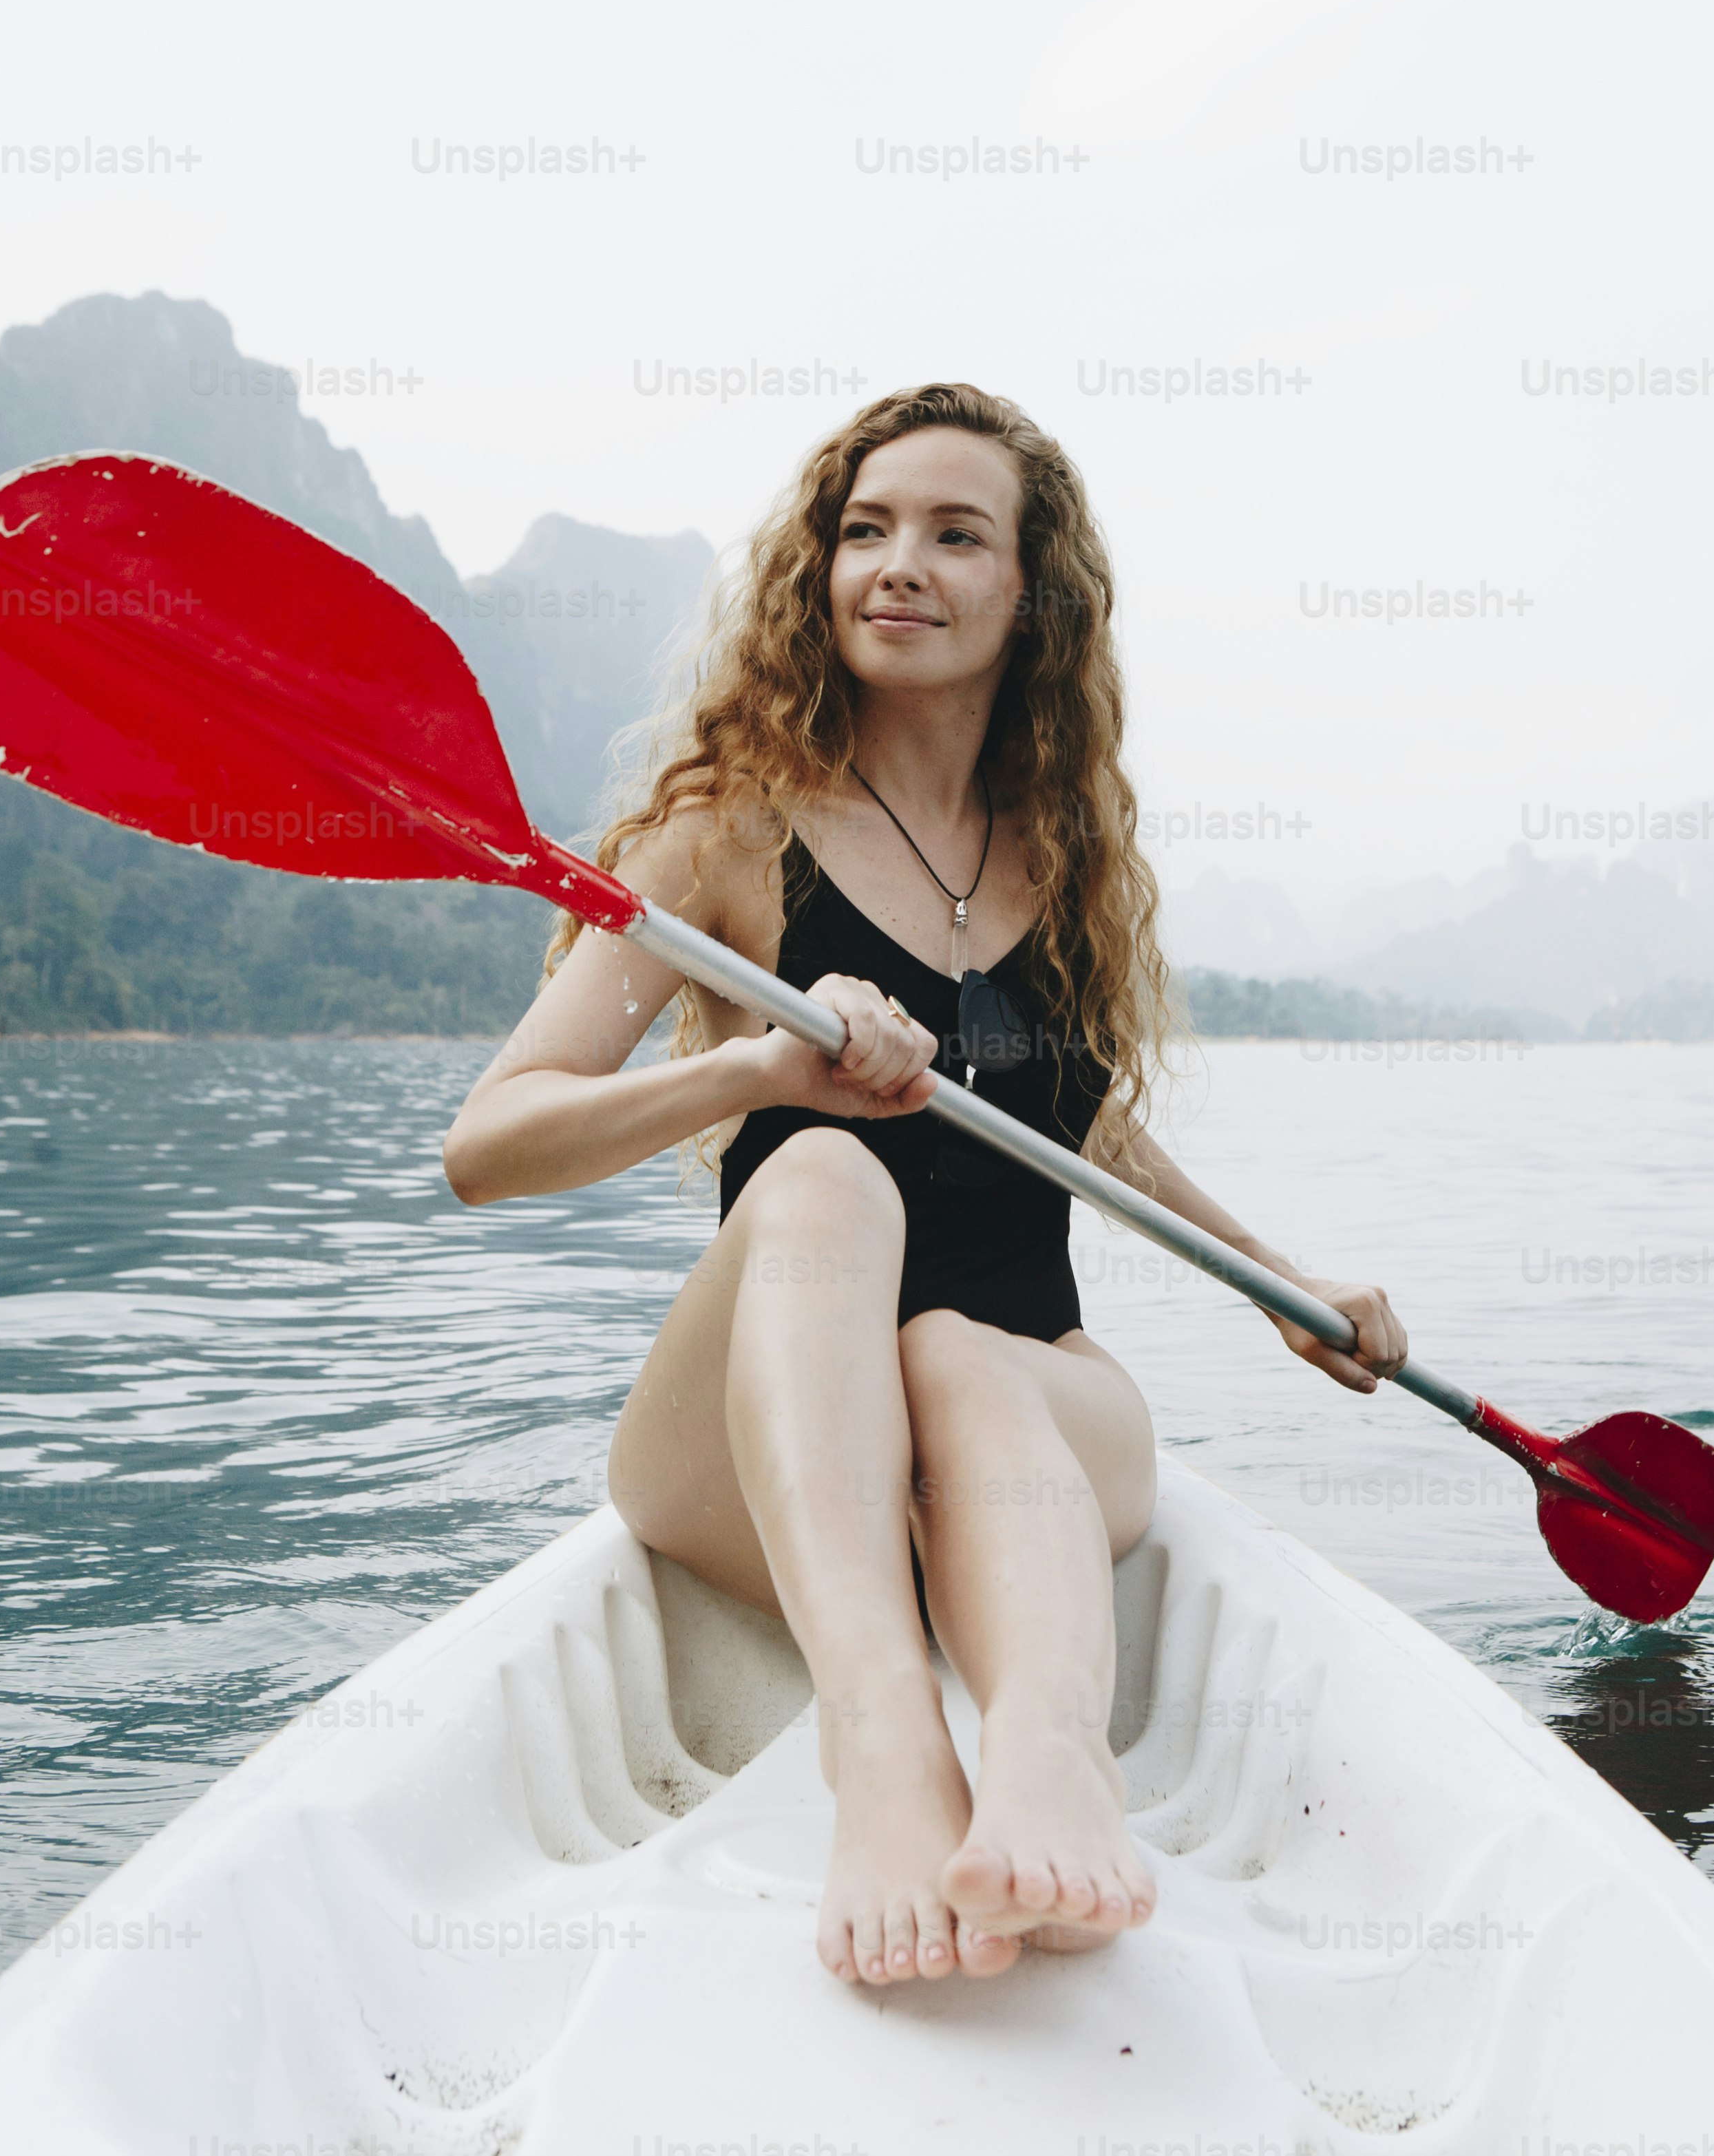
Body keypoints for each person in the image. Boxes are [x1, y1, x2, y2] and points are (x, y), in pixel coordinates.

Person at [443, 383, 1407, 1991]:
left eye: (956, 534)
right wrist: (757, 1069)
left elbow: (1082, 1126)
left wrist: (1281, 1285)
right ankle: (883, 1752)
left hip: (1014, 1425)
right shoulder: (722, 839)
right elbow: (492, 1141)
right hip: (761, 1473)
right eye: (864, 529)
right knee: (824, 1173)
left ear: (1032, 593)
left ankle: (1046, 1756)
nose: (896, 563)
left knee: (958, 1341)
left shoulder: (1064, 854)